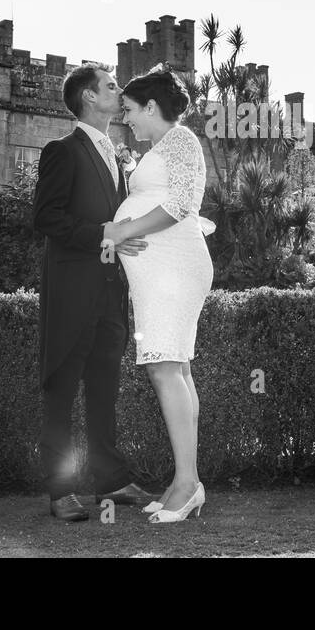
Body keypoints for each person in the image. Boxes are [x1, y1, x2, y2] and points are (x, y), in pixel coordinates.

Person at [32, 65, 158, 522]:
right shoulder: (62, 151)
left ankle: (112, 482)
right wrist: (105, 232)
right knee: (61, 394)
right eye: (110, 85)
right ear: (88, 97)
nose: (119, 90)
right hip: (72, 295)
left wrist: (124, 238)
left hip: (111, 297)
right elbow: (46, 219)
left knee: (105, 392)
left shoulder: (117, 154)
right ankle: (60, 491)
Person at [103, 66, 215, 523]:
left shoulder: (182, 140)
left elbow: (180, 204)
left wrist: (122, 228)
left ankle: (187, 484)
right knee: (174, 369)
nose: (125, 118)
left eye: (129, 110)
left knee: (167, 368)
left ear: (151, 107)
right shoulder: (161, 148)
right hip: (160, 270)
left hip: (174, 268)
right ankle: (183, 483)